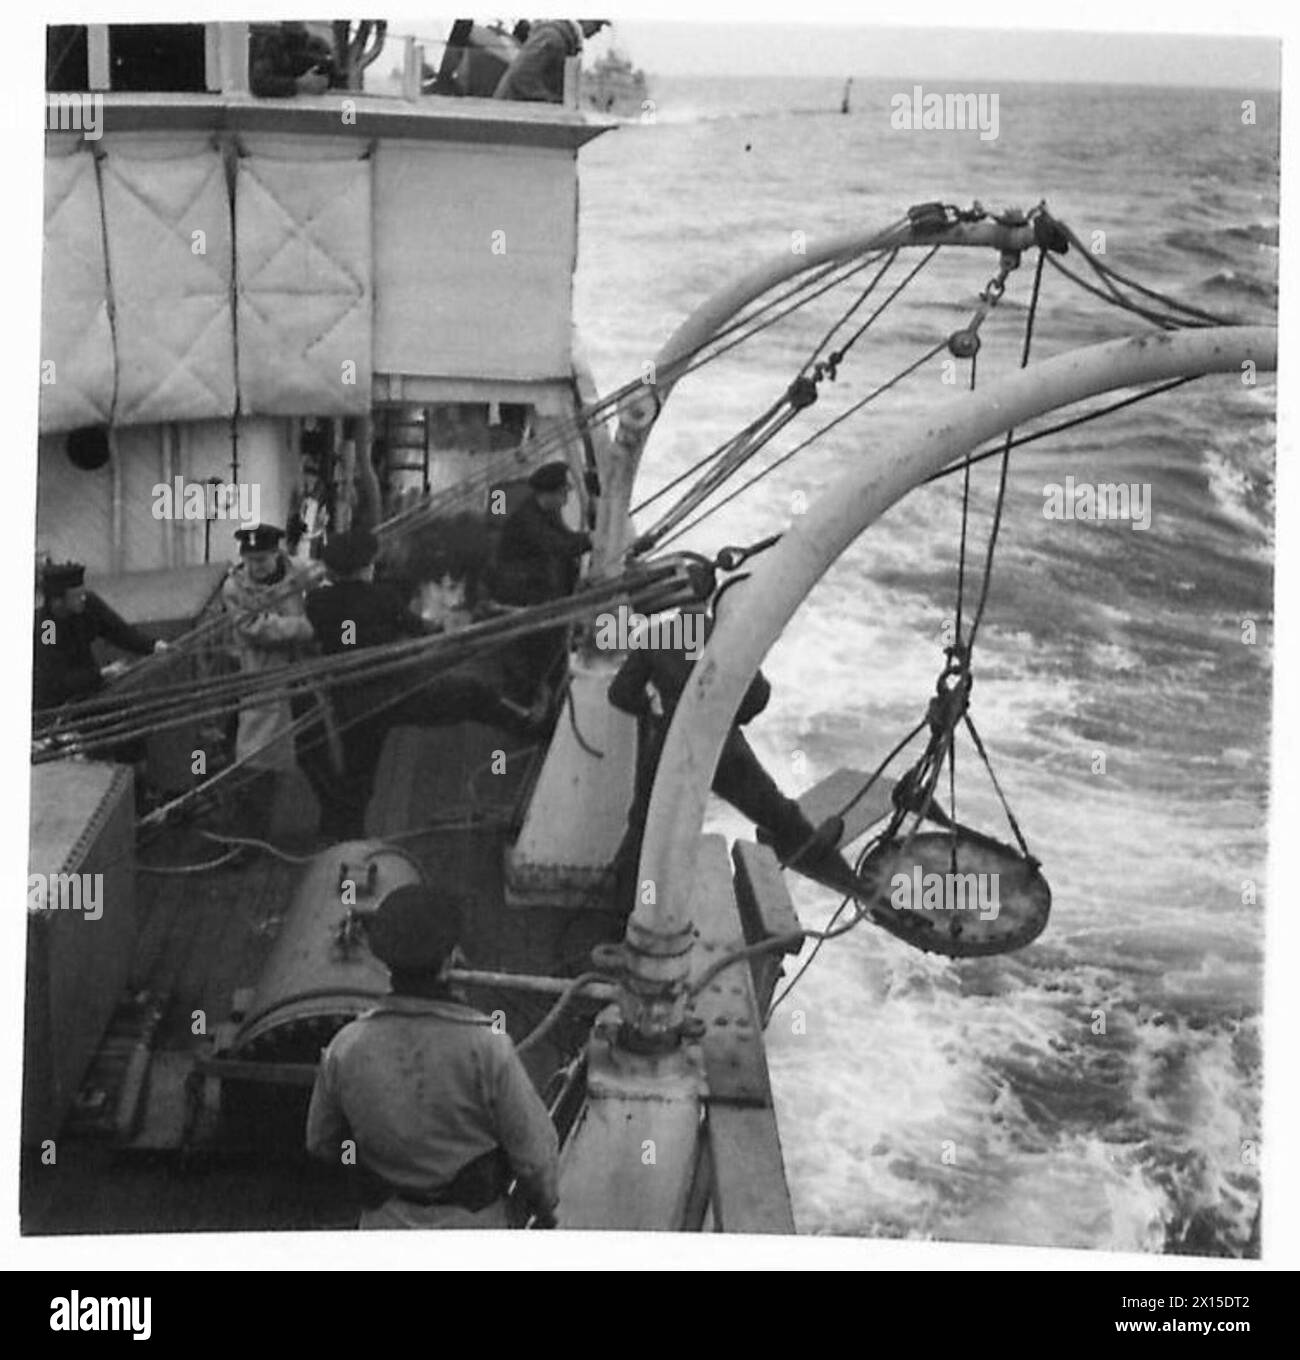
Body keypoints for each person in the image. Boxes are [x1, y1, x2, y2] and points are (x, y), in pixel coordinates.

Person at [306, 884, 560, 1229]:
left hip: (384, 1227)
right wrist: (543, 1208)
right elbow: (534, 1160)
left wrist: (366, 1165)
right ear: (448, 961)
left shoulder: (346, 1046)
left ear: (387, 962)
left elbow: (321, 1142)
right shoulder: (488, 1048)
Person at [607, 572, 850, 888]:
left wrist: (654, 712)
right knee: (776, 810)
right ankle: (817, 855)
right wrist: (731, 716)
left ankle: (620, 893)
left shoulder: (656, 636)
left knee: (646, 823)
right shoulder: (728, 636)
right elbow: (759, 694)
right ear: (710, 597)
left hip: (669, 745)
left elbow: (620, 694)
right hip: (722, 748)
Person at [305, 527, 539, 839]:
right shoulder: (382, 597)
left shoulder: (317, 602)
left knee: (356, 772)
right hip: (394, 694)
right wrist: (450, 626)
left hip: (348, 703)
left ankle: (344, 836)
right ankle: (532, 725)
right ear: (366, 567)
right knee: (472, 694)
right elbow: (421, 630)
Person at [219, 523, 330, 836]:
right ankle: (246, 838)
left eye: (263, 560)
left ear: (277, 554)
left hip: (306, 675)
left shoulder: (303, 571)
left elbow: (326, 597)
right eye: (251, 560)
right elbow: (255, 628)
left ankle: (333, 822)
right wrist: (305, 627)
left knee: (320, 751)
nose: (256, 567)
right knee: (256, 762)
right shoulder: (235, 588)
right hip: (265, 679)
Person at [491, 461, 592, 697]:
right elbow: (556, 545)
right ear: (551, 494)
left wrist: (586, 538)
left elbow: (565, 538)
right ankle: (527, 691)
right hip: (518, 588)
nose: (567, 497)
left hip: (531, 579)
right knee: (539, 640)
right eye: (564, 492)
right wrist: (589, 541)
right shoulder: (529, 519)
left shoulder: (547, 511)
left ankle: (544, 679)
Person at [33, 561, 167, 712]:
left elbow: (119, 631)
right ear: (57, 602)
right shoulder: (47, 627)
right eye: (76, 596)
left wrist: (153, 646)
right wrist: (100, 674)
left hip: (91, 690)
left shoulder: (88, 606)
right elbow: (55, 678)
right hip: (59, 704)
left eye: (82, 593)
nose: (82, 599)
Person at [492, 19, 609, 103]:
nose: (599, 30)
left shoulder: (560, 39)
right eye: (597, 23)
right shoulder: (553, 38)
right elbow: (522, 77)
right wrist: (553, 101)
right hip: (511, 112)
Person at [248, 21, 334, 97]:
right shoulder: (271, 45)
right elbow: (259, 83)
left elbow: (339, 86)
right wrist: (298, 85)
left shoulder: (318, 46)